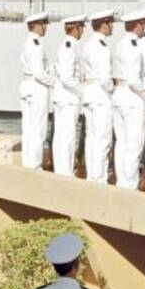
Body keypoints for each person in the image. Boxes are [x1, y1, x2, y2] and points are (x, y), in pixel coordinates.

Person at [111, 10, 145, 188]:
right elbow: (134, 80)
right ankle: (130, 184)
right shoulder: (134, 47)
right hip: (132, 97)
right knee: (133, 145)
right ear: (137, 25)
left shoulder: (120, 44)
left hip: (119, 95)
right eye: (144, 24)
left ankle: (122, 181)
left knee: (121, 143)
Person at [80, 10, 115, 183]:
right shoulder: (101, 47)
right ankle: (100, 178)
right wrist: (114, 90)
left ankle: (92, 176)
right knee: (102, 140)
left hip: (89, 95)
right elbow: (105, 78)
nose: (112, 27)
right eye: (111, 23)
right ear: (104, 24)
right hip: (101, 97)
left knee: (91, 138)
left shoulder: (88, 44)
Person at [51, 14, 88, 178]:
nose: (83, 31)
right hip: (68, 98)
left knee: (61, 136)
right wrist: (84, 91)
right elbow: (67, 78)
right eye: (82, 28)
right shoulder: (69, 47)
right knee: (67, 136)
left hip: (65, 97)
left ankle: (62, 170)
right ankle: (65, 172)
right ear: (76, 28)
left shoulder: (69, 46)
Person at [20, 12, 55, 169]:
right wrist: (55, 82)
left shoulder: (28, 43)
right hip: (37, 89)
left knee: (28, 129)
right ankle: (35, 165)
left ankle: (28, 163)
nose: (45, 28)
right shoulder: (36, 46)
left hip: (27, 86)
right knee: (38, 130)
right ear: (37, 25)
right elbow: (39, 73)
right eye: (44, 25)